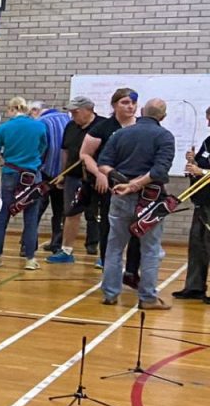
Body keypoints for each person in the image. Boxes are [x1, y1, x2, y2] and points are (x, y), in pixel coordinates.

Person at [98, 98, 176, 309]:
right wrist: (134, 186)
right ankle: (148, 298)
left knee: (114, 247)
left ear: (141, 111)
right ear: (163, 116)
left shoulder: (120, 134)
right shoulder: (165, 136)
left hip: (120, 196)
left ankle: (110, 294)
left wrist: (121, 180)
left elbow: (103, 164)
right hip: (150, 200)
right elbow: (159, 171)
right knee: (150, 249)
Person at [81, 88, 142, 282]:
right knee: (109, 227)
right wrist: (99, 173)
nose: (130, 106)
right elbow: (85, 154)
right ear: (114, 105)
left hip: (138, 184)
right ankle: (109, 268)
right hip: (111, 184)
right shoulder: (104, 128)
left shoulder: (142, 126)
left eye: (133, 103)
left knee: (138, 228)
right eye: (125, 102)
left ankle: (132, 270)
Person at [0, 96, 47, 270]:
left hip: (9, 174)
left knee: (2, 216)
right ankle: (30, 259)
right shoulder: (39, 126)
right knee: (31, 219)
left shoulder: (4, 128)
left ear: (12, 109)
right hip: (32, 176)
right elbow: (42, 148)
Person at [49, 96, 101, 264]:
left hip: (96, 178)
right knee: (70, 213)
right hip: (73, 176)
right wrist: (63, 173)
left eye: (76, 112)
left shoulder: (103, 125)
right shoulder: (71, 126)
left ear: (88, 110)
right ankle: (66, 251)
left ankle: (103, 254)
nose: (73, 116)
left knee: (98, 215)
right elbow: (65, 151)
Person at [173, 104, 210, 303]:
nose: (208, 123)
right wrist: (193, 163)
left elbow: (205, 171)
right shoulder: (208, 142)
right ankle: (194, 286)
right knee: (197, 244)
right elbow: (201, 166)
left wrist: (202, 172)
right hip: (202, 201)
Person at [33, 101, 70, 255]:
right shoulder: (68, 118)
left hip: (45, 173)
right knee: (60, 211)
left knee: (36, 209)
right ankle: (56, 244)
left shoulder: (41, 122)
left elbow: (40, 148)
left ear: (36, 111)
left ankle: (28, 245)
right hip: (64, 172)